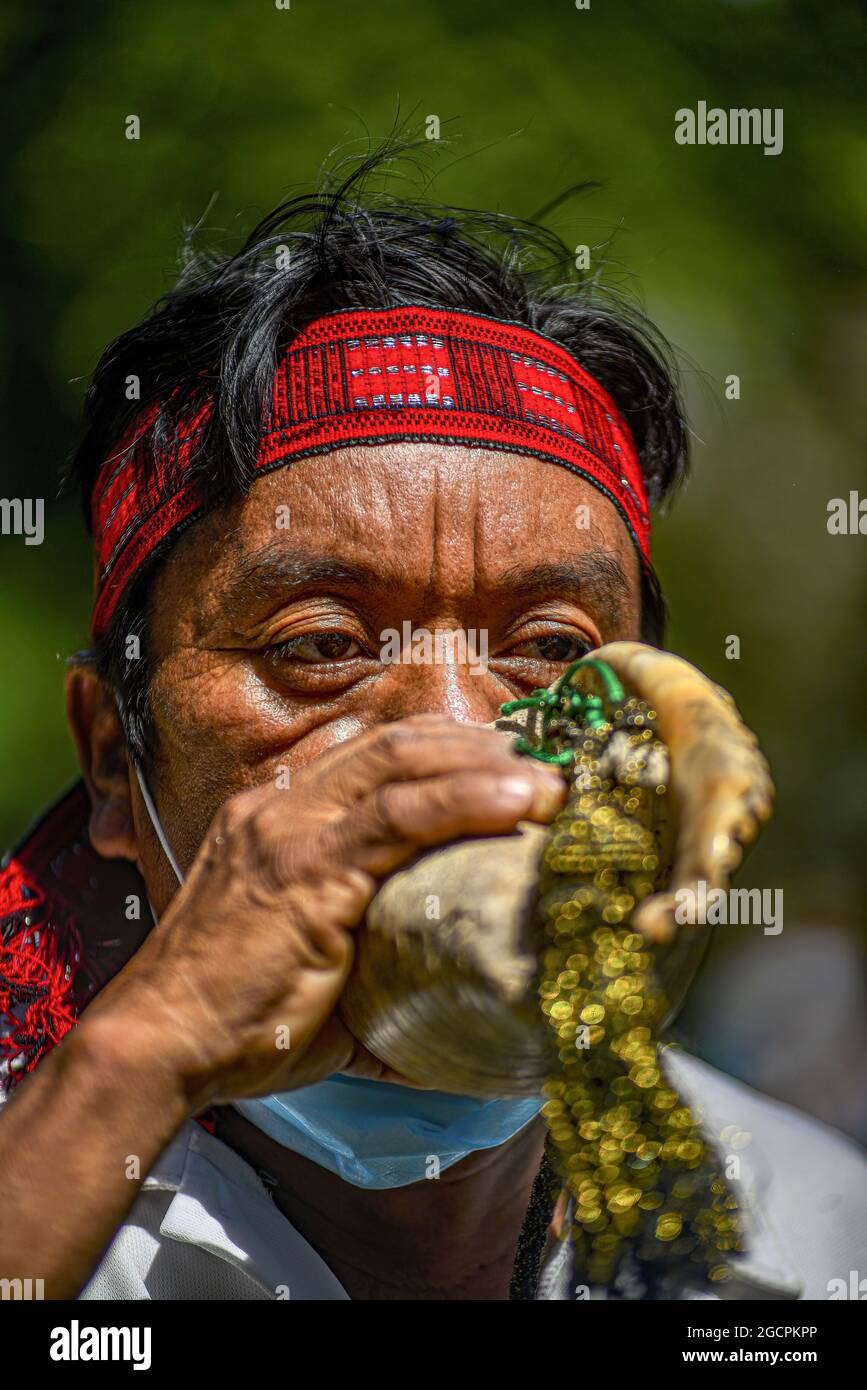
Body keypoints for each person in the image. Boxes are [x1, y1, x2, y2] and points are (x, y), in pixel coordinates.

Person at [1, 153, 864, 1301]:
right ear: (114, 755)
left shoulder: (811, 1233)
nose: (458, 741)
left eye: (551, 649)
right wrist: (142, 1057)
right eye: (319, 647)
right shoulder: (53, 1191)